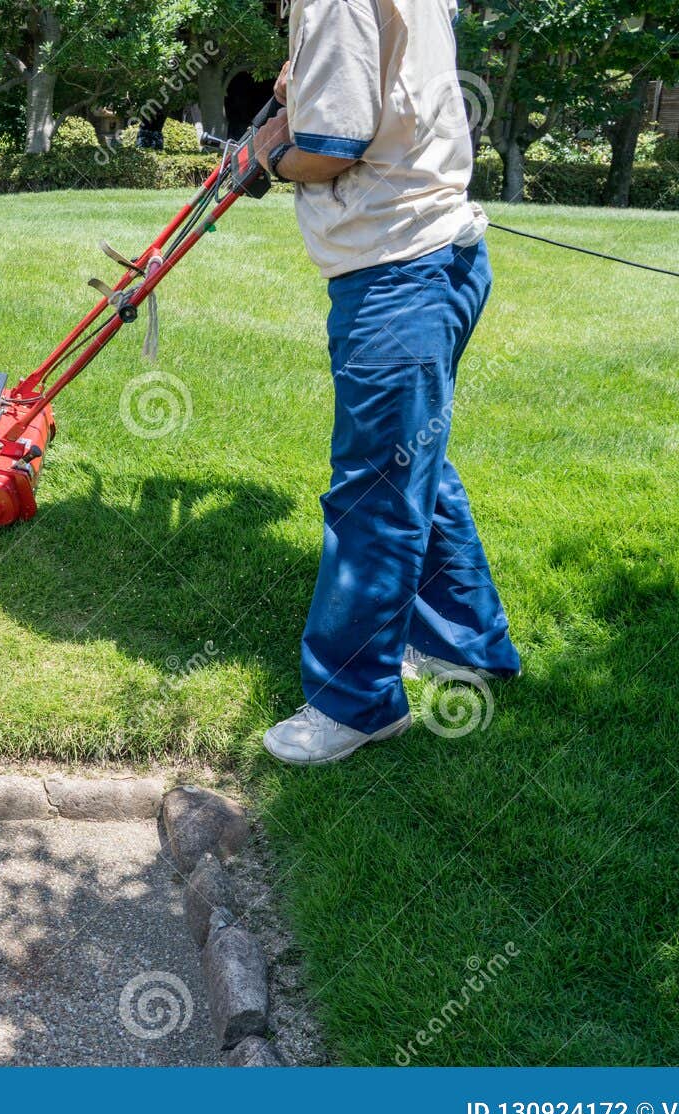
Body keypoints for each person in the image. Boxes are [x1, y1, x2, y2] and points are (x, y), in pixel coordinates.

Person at [252, 0, 522, 765]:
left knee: (373, 491)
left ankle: (356, 702)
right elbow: (383, 84)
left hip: (397, 274)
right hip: (445, 256)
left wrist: (266, 159)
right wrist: (297, 85)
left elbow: (333, 146)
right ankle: (466, 644)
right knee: (416, 469)